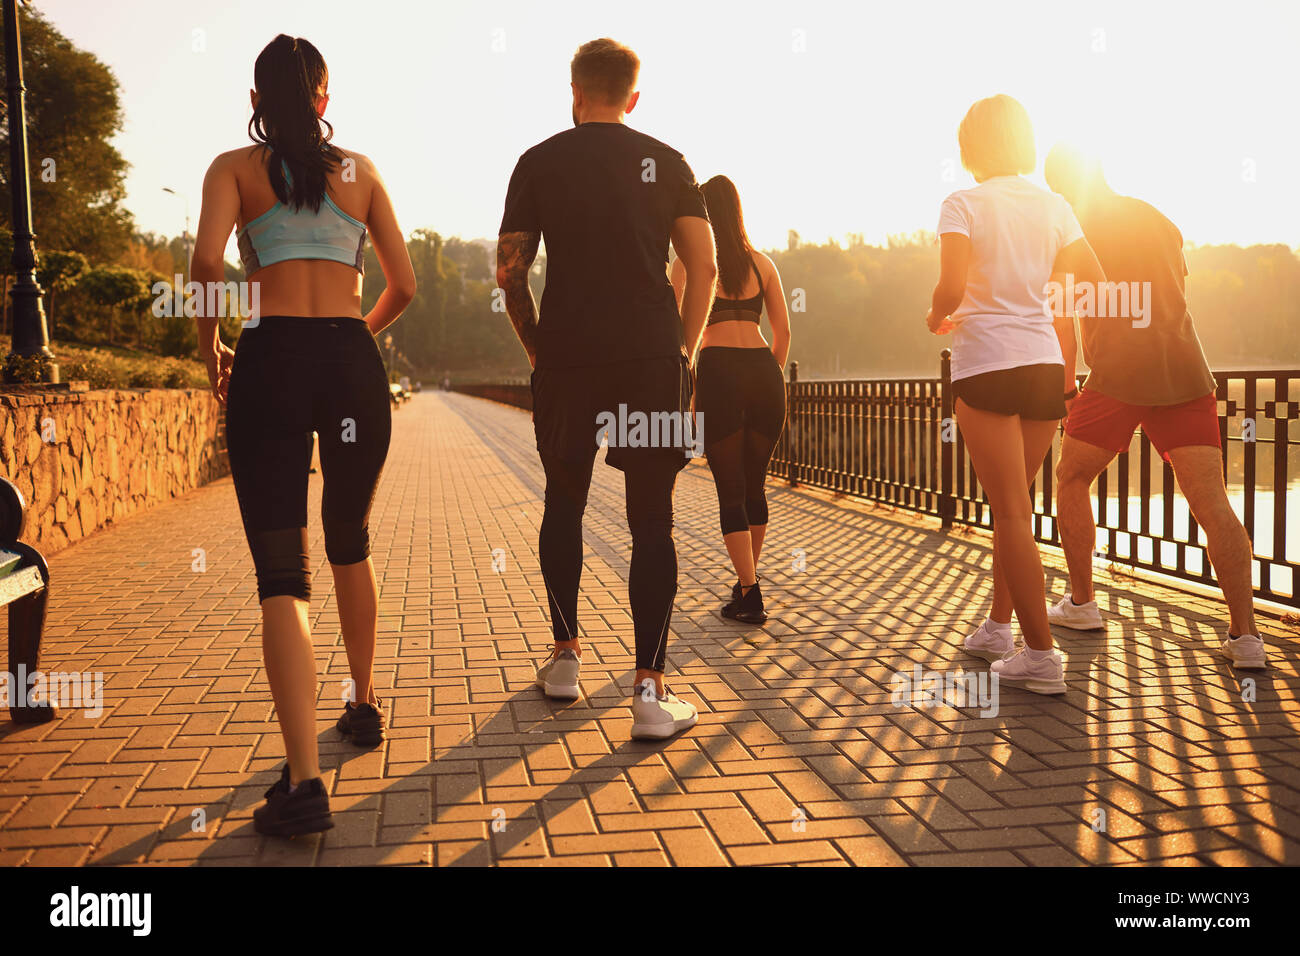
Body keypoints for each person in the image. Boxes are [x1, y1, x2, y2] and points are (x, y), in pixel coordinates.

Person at [192, 35, 416, 835]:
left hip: (271, 361)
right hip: (351, 361)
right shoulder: (362, 172)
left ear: (256, 101)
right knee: (349, 538)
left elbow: (209, 268)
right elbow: (406, 283)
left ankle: (307, 785)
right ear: (325, 97)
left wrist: (212, 345)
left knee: (282, 573)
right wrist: (358, 334)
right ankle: (362, 705)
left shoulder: (233, 169)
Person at [497, 38, 716, 739]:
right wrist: (678, 349)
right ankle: (650, 694)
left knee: (564, 503)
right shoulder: (670, 163)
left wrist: (539, 349)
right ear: (634, 96)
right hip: (651, 359)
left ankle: (565, 660)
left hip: (565, 358)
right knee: (652, 519)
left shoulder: (538, 161)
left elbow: (510, 272)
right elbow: (703, 267)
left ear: (574, 90)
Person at [1043, 145, 1267, 669]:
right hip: (1185, 369)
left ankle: (1082, 604)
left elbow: (1061, 317)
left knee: (1071, 477)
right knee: (1213, 502)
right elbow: (1176, 294)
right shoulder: (1160, 220)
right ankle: (1247, 638)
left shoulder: (1069, 231)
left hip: (1116, 374)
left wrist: (1067, 388)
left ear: (1059, 186)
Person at [927, 95, 1105, 695]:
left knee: (1008, 513)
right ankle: (1000, 628)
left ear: (971, 147)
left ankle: (1040, 656)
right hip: (1041, 367)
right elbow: (1095, 282)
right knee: (1017, 512)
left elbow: (951, 288)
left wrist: (936, 314)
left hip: (987, 365)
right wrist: (1039, 298)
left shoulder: (962, 204)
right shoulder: (1055, 205)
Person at [672, 175, 791, 624]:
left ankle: (751, 591)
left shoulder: (689, 264)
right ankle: (746, 585)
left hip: (720, 372)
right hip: (764, 373)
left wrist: (688, 394)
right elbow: (784, 334)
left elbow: (677, 335)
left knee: (730, 491)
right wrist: (765, 378)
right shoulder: (764, 265)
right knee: (754, 486)